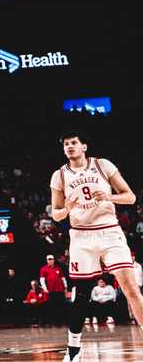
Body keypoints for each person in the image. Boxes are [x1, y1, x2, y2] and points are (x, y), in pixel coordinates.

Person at [50, 132, 143, 362]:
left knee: (131, 289)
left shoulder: (102, 165)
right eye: (66, 144)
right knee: (80, 295)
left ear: (84, 146)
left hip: (110, 230)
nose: (69, 146)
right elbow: (56, 214)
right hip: (81, 236)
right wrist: (68, 208)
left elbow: (130, 197)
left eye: (73, 143)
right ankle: (73, 348)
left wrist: (109, 198)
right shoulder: (59, 175)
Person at [39, 254, 67, 326]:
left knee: (60, 306)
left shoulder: (58, 268)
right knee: (52, 306)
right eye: (49, 259)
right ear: (47, 260)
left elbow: (63, 278)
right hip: (51, 291)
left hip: (60, 290)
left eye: (51, 259)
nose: (50, 261)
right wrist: (45, 288)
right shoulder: (43, 269)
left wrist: (65, 287)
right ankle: (52, 322)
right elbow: (42, 280)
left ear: (54, 260)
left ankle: (60, 322)